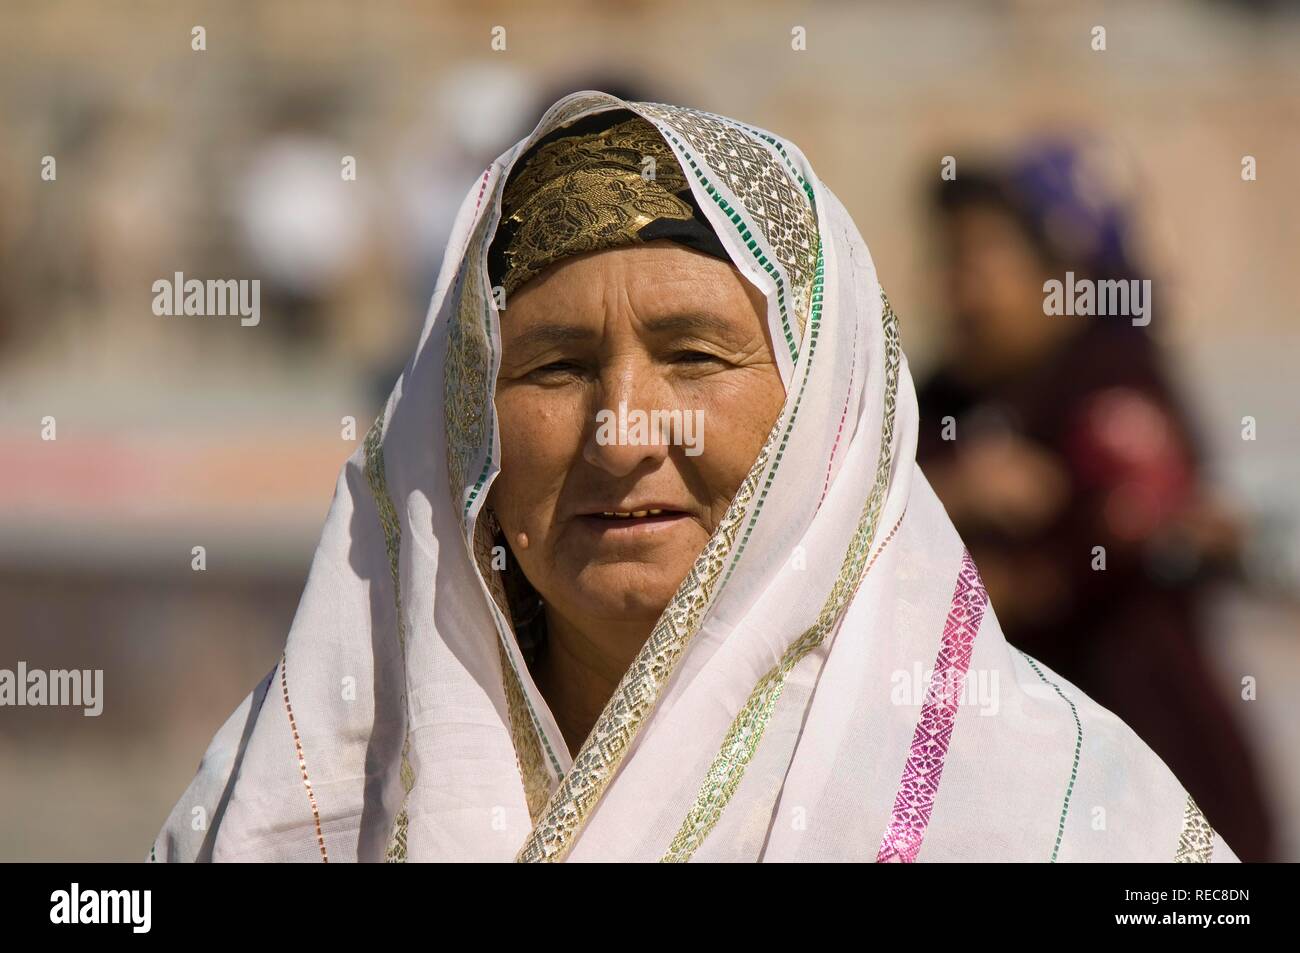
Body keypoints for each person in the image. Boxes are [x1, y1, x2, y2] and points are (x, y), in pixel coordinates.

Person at [152, 93, 1238, 862]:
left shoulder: (1061, 814)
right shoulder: (297, 791)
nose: (623, 431)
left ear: (821, 412)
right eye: (555, 367)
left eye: (695, 355)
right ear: (468, 425)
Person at [917, 139, 1274, 861]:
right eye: (950, 260)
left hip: (1153, 771)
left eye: (983, 259)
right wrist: (956, 489)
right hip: (1001, 797)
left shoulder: (1108, 382)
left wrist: (988, 589)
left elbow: (1125, 533)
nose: (961, 289)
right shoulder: (945, 398)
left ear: (1059, 274)